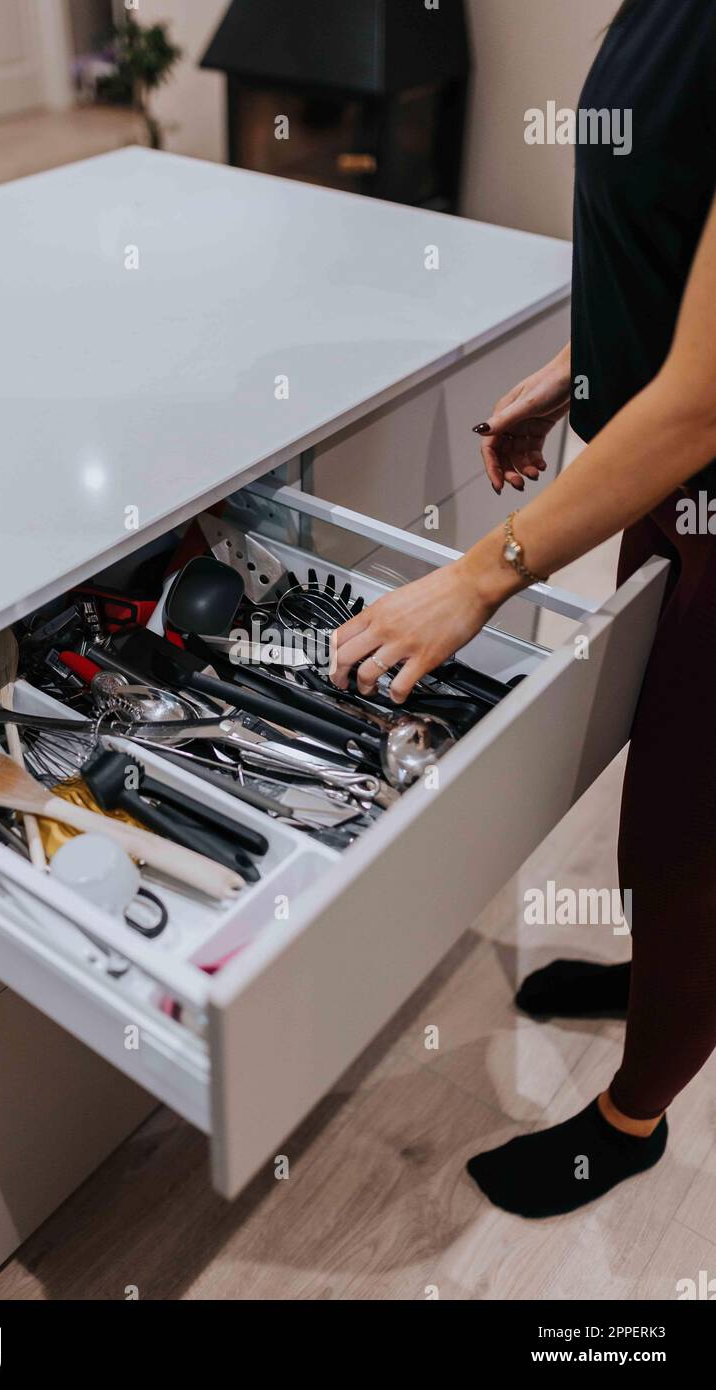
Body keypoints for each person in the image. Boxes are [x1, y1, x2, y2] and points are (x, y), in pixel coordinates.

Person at [331, 0, 716, 1218]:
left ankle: (631, 1117)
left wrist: (479, 571)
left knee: (695, 834)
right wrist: (572, 373)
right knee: (657, 784)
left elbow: (706, 399)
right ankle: (663, 973)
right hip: (665, 480)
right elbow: (662, 215)